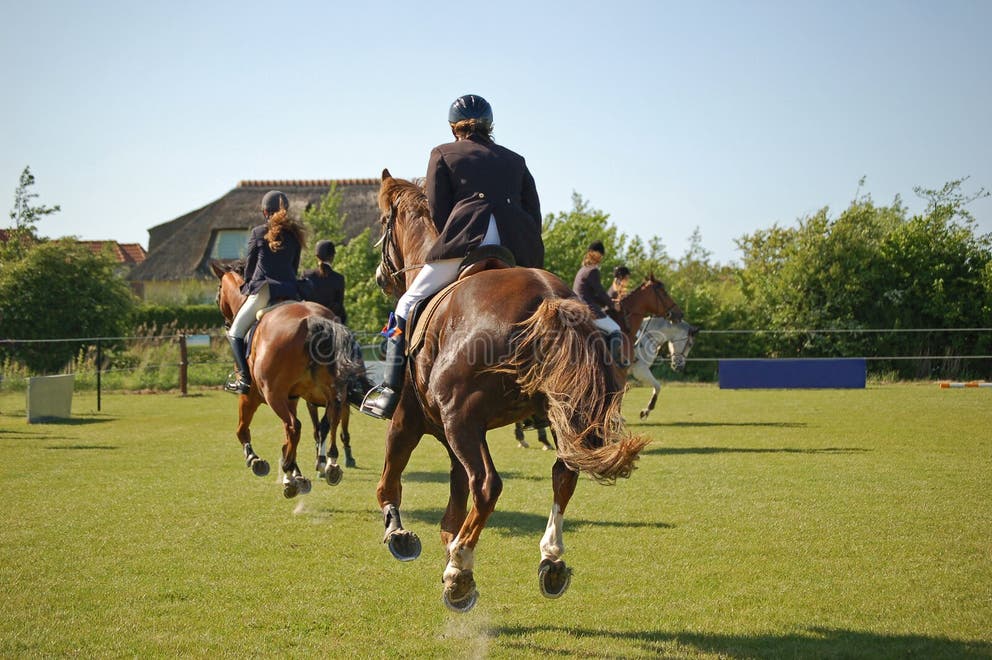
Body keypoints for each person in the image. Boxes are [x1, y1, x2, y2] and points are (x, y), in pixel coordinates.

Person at [361, 93, 543, 419]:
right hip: (516, 248)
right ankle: (542, 393)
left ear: (452, 127)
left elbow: (438, 211)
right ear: (490, 125)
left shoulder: (442, 153)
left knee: (406, 304)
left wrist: (455, 236)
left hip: (465, 245)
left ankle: (389, 392)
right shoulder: (516, 159)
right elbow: (534, 211)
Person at [225, 190, 305, 394]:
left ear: (265, 212)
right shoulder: (295, 237)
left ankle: (243, 379)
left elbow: (251, 266)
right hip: (291, 292)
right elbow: (294, 268)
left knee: (235, 332)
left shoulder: (258, 232)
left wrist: (248, 285)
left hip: (265, 292)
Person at [572, 241, 627, 366]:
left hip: (578, 307)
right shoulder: (593, 271)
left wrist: (610, 301)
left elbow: (592, 295)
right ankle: (614, 364)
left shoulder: (582, 270)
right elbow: (601, 293)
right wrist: (613, 306)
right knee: (616, 329)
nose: (600, 258)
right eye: (600, 255)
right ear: (596, 254)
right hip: (589, 311)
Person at [301, 240, 347, 324]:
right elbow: (339, 307)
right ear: (332, 257)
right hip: (330, 323)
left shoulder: (307, 274)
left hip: (310, 321)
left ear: (316, 256)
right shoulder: (339, 279)